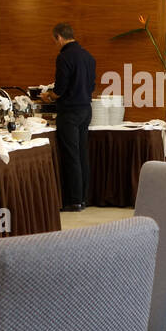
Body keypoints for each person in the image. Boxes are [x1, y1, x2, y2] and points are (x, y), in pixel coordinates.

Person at [50, 22, 96, 212]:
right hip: (86, 110)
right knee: (82, 154)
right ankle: (83, 198)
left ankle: (74, 200)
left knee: (71, 156)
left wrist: (49, 95)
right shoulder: (88, 56)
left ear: (59, 37)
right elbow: (91, 86)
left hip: (69, 112)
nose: (56, 43)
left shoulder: (64, 57)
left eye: (55, 40)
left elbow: (59, 90)